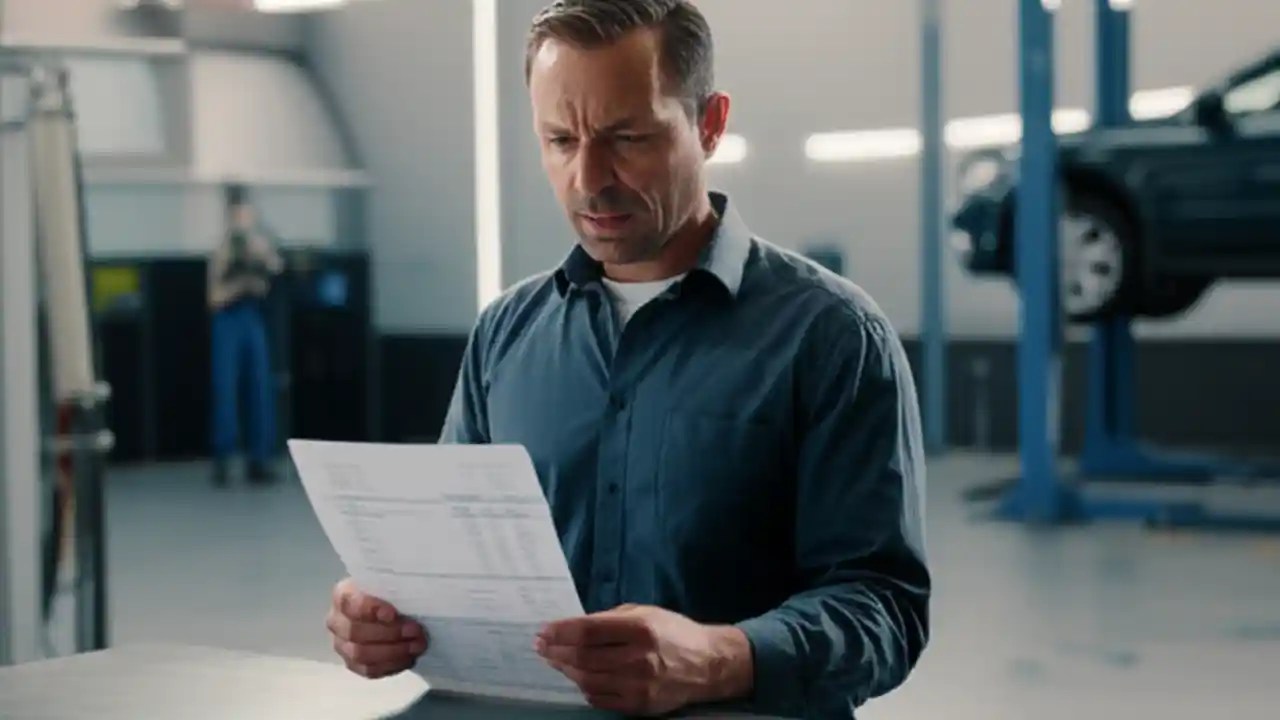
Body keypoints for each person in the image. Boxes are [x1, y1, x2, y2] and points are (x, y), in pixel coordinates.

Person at [325, 1, 929, 716]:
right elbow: (451, 567)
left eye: (626, 137)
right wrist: (385, 616)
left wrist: (716, 659)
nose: (588, 177)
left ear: (709, 123)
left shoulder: (831, 337)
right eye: (559, 140)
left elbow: (884, 608)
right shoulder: (505, 336)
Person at [207, 184, 284, 486]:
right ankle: (223, 457)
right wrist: (240, 284)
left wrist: (259, 255)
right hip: (228, 317)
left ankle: (259, 458)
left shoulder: (258, 242)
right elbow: (214, 297)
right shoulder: (223, 249)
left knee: (260, 388)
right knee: (225, 389)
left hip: (252, 316)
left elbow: (274, 269)